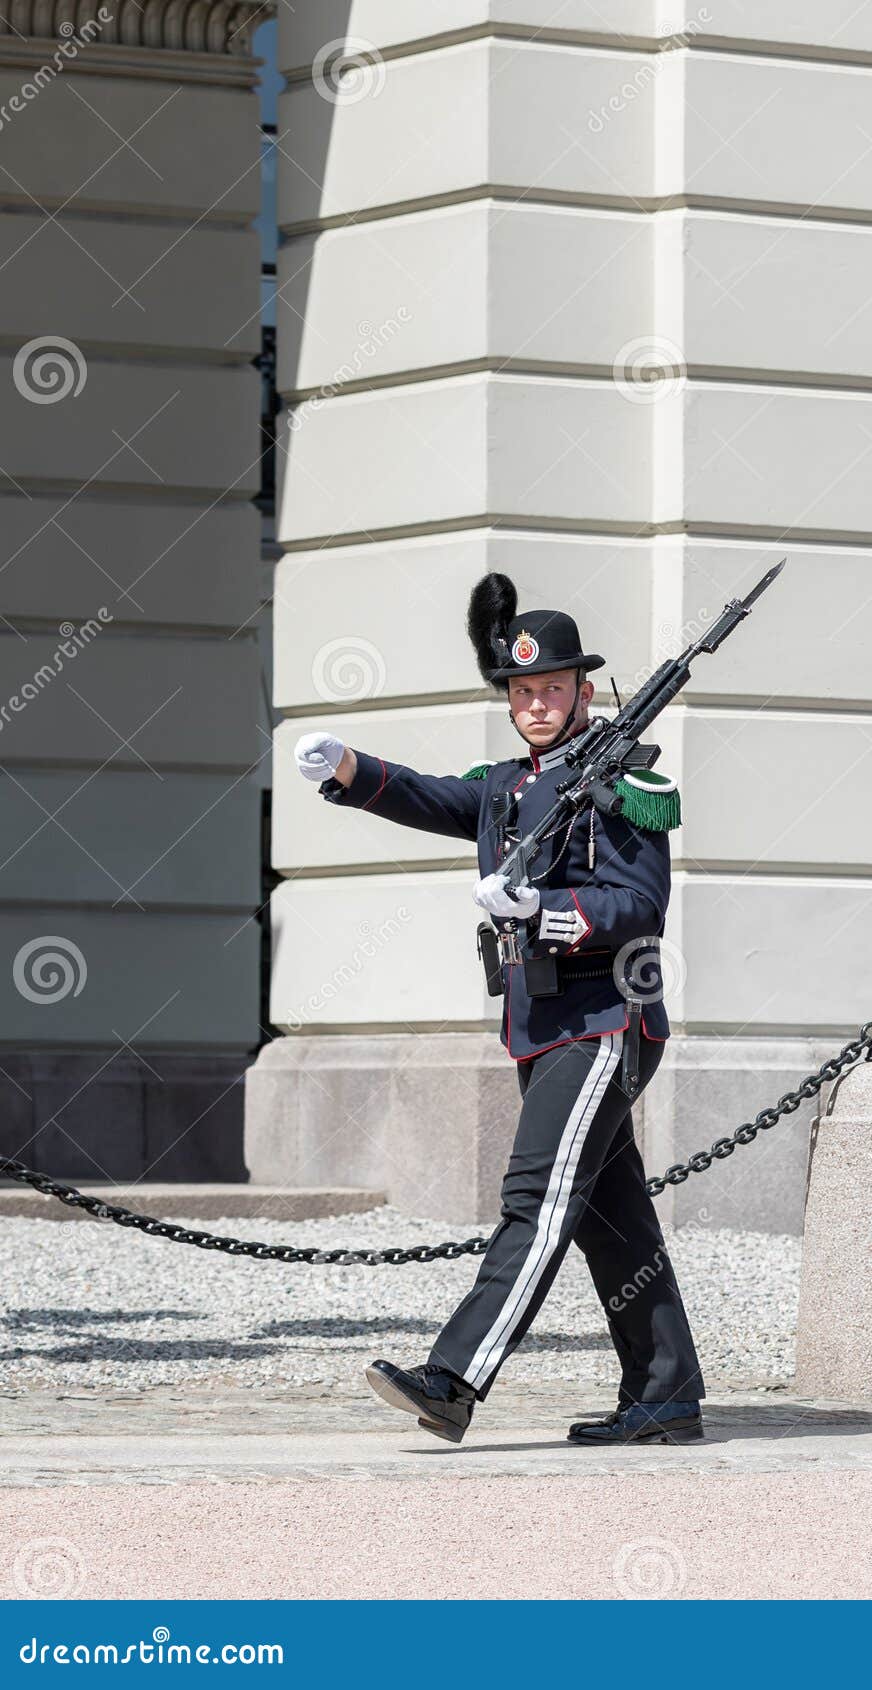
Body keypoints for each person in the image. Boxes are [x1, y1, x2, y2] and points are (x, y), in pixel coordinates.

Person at [292, 573, 705, 1446]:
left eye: (552, 687)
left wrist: (549, 915)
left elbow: (640, 907)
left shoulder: (626, 785)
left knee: (538, 1198)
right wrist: (348, 768)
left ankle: (455, 1379)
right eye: (522, 690)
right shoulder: (505, 788)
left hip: (605, 1021)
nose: (537, 703)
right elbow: (430, 795)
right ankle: (666, 1395)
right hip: (542, 1025)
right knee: (608, 1213)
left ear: (583, 692)